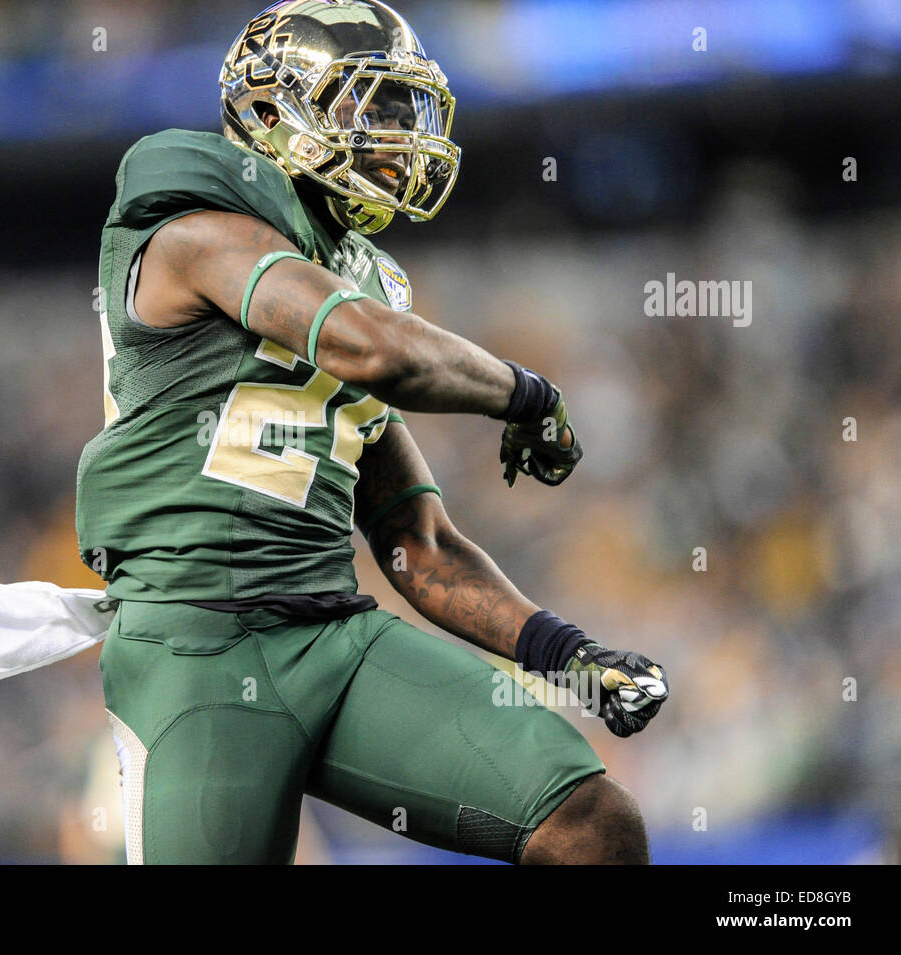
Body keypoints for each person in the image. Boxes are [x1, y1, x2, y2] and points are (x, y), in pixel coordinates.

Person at [76, 0, 668, 864]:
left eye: (404, 112)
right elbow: (373, 348)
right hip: (193, 651)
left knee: (592, 826)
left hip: (332, 635)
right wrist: (524, 392)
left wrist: (567, 654)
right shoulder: (192, 233)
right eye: (374, 108)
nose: (396, 135)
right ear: (277, 113)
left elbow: (415, 542)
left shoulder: (351, 279)